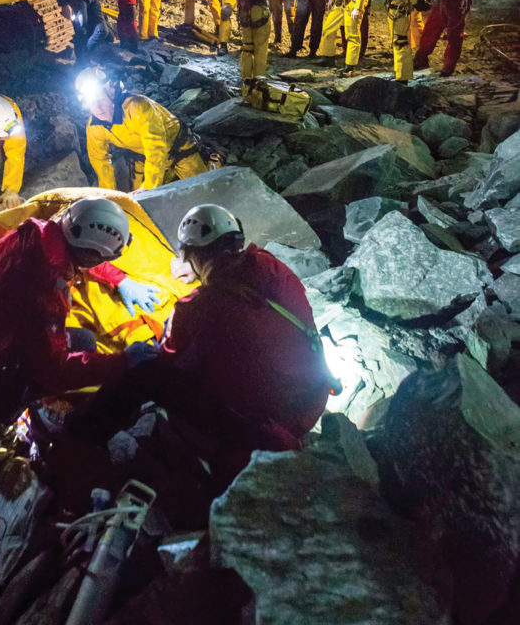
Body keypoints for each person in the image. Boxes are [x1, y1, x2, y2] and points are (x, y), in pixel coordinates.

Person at [64, 204, 331, 477]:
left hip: (266, 426)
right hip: (313, 397)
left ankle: (78, 432)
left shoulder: (196, 308)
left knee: (145, 372)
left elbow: (169, 361)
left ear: (189, 253)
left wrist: (148, 349)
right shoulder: (271, 266)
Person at [0, 197, 157, 397]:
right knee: (83, 342)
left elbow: (78, 251)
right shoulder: (45, 292)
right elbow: (55, 370)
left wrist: (120, 280)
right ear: (91, 255)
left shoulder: (36, 232)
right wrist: (123, 361)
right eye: (104, 258)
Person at [76, 66, 207, 191]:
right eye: (91, 103)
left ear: (112, 93)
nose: (98, 108)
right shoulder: (94, 127)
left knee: (203, 190)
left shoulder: (138, 107)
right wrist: (109, 195)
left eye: (101, 100)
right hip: (144, 158)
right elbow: (99, 160)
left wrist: (149, 186)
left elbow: (156, 148)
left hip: (180, 151)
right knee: (139, 201)